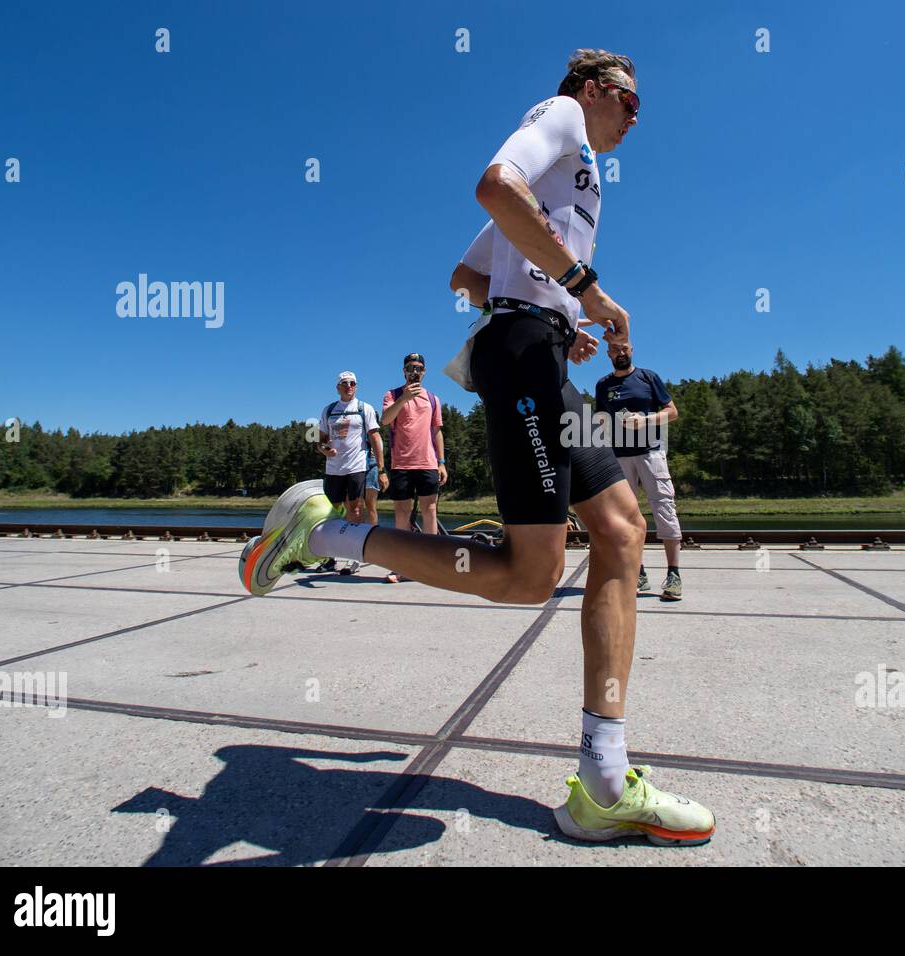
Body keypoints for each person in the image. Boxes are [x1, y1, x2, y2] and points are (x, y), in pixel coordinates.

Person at [240, 49, 714, 846]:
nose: (638, 116)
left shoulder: (569, 174)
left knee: (624, 531)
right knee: (530, 576)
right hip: (525, 356)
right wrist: (582, 290)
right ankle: (321, 531)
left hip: (540, 349)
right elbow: (494, 186)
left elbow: (466, 270)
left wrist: (554, 309)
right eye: (632, 101)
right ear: (595, 90)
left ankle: (603, 780)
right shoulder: (561, 118)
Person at [595, 343, 683, 600]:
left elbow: (672, 411)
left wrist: (645, 420)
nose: (620, 353)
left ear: (631, 350)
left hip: (651, 452)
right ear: (608, 354)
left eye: (624, 349)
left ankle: (674, 575)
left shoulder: (648, 377)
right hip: (620, 457)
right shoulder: (603, 385)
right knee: (626, 518)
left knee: (664, 509)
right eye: (614, 350)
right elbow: (600, 419)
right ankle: (638, 574)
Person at [378, 352, 446, 584]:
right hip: (401, 463)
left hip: (427, 462)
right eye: (410, 368)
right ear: (404, 371)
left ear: (424, 371)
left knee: (430, 511)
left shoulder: (433, 398)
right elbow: (385, 420)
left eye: (418, 368)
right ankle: (401, 566)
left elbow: (437, 431)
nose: (414, 371)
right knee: (402, 514)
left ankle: (431, 565)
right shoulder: (393, 394)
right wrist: (403, 399)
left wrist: (442, 462)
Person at [315, 371, 384, 575]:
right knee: (331, 512)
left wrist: (381, 468)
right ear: (338, 387)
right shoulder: (328, 410)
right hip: (333, 468)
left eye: (353, 383)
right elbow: (320, 441)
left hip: (356, 466)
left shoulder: (365, 408)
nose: (349, 386)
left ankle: (353, 558)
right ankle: (329, 558)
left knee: (355, 509)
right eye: (344, 383)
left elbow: (375, 438)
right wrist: (324, 449)